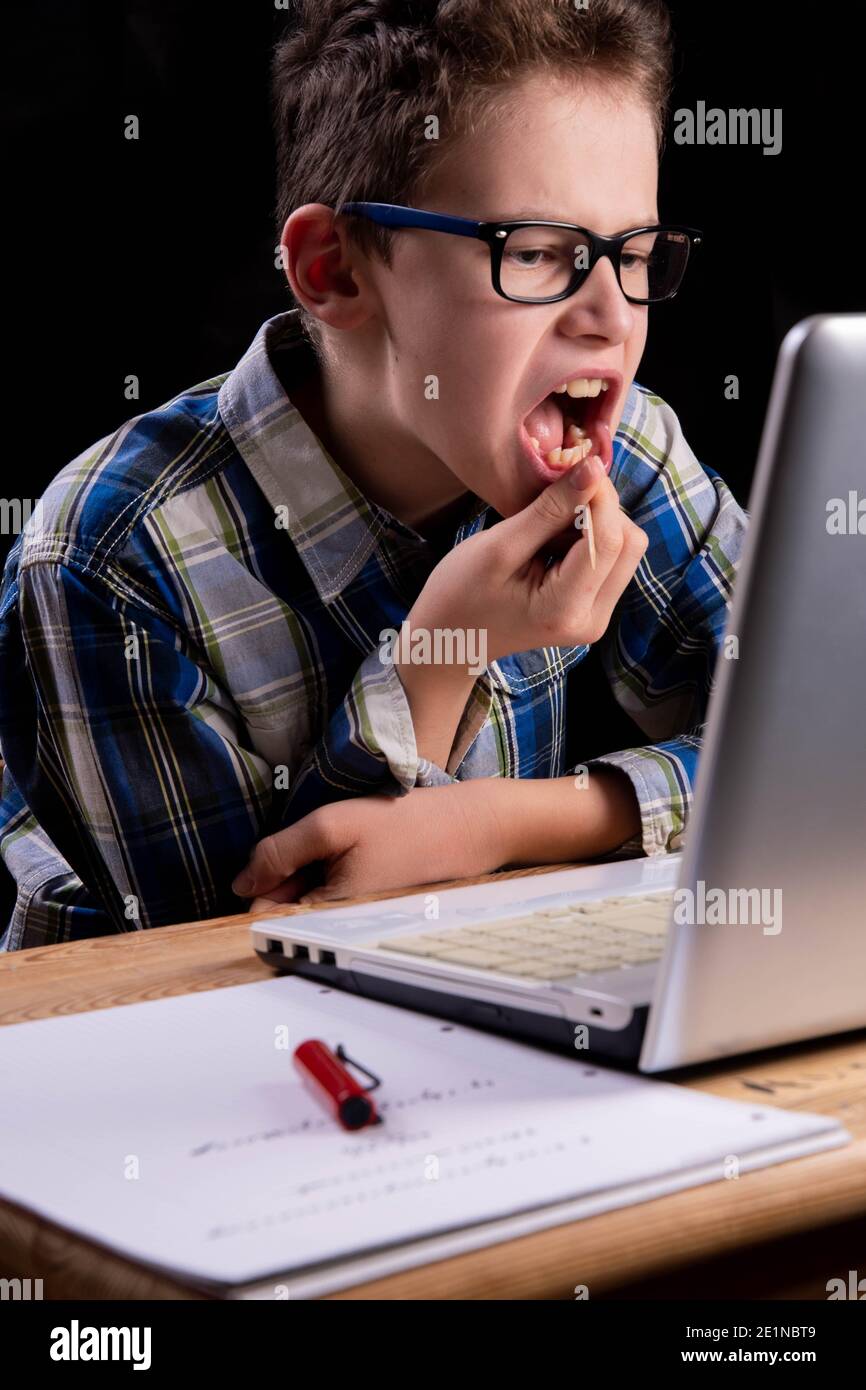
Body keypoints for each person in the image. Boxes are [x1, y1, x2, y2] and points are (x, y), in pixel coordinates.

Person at [0, 0, 746, 948]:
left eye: (633, 256)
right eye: (538, 254)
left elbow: (817, 732)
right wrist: (442, 655)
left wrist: (506, 823)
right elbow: (234, 970)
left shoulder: (619, 445)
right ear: (336, 272)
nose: (611, 317)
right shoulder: (107, 560)